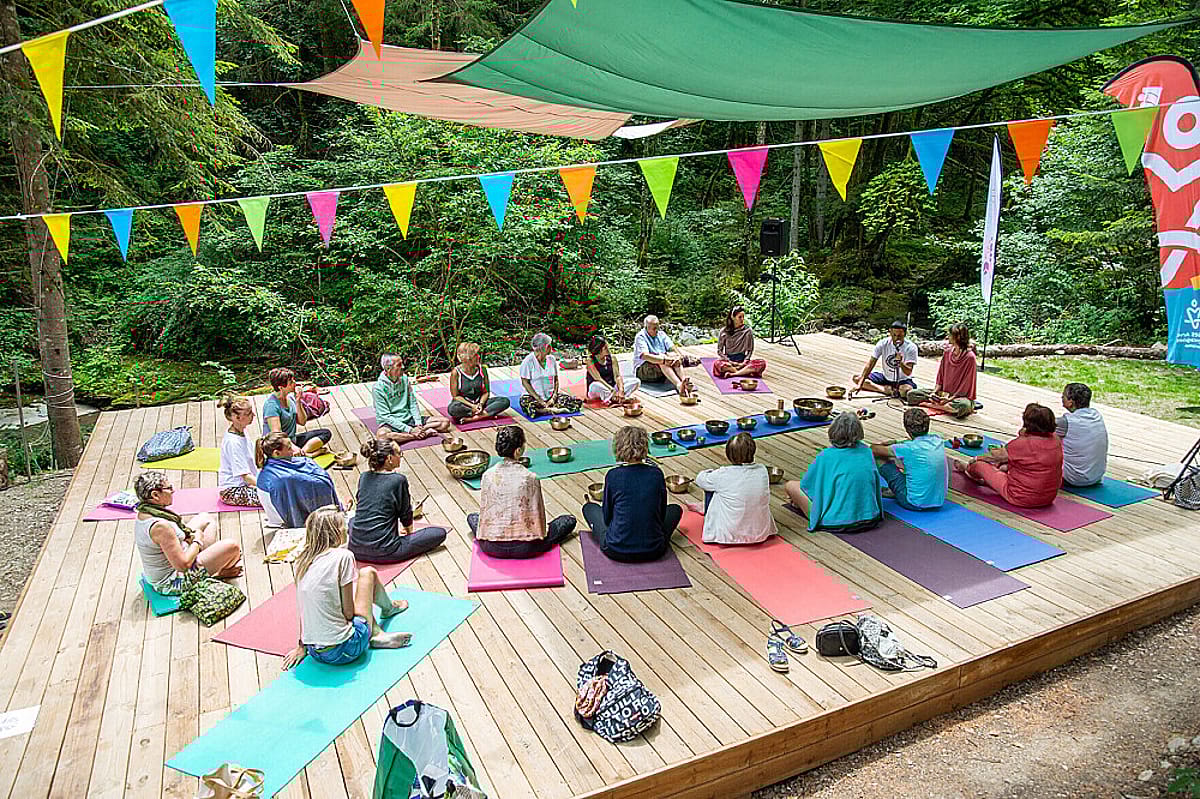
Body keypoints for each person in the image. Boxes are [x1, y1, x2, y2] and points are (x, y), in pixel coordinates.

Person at [282, 506, 411, 670]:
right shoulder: (343, 556)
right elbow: (349, 613)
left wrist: (302, 646)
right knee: (368, 573)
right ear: (336, 532)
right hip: (346, 649)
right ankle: (381, 624)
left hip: (315, 651)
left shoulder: (301, 562)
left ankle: (380, 623)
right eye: (344, 527)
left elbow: (305, 608)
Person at [467, 426, 577, 558]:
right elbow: (538, 520)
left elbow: (486, 514)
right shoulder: (529, 477)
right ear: (518, 451)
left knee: (472, 517)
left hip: (491, 546)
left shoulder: (487, 475)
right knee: (569, 520)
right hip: (526, 548)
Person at [581, 426, 682, 561]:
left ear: (618, 449)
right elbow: (661, 515)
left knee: (589, 508)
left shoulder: (613, 475)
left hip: (615, 549)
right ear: (645, 447)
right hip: (655, 550)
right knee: (675, 509)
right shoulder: (656, 474)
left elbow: (607, 518)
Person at [134, 471, 243, 596]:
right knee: (232, 547)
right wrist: (197, 541)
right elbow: (183, 565)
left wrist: (192, 539)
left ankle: (211, 564)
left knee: (205, 518)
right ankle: (218, 573)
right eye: (169, 488)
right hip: (174, 582)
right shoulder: (160, 527)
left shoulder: (145, 512)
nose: (173, 491)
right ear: (155, 495)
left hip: (178, 557)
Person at [349, 438, 448, 563]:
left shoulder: (363, 477)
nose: (401, 457)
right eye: (399, 454)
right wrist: (409, 533)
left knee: (353, 520)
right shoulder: (398, 480)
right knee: (439, 533)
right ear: (389, 458)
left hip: (355, 550)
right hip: (387, 552)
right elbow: (405, 513)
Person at [785, 413, 883, 532]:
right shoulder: (866, 451)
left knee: (791, 485)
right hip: (871, 518)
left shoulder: (826, 456)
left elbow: (807, 487)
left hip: (836, 521)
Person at [953, 403, 1063, 508]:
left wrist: (976, 459)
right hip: (1048, 498)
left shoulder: (1022, 444)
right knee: (1004, 464)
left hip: (1021, 497)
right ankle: (990, 476)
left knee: (979, 465)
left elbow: (995, 456)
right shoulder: (1055, 439)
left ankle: (968, 470)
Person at [693, 432, 776, 544]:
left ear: (729, 455)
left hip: (728, 535)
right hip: (759, 533)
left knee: (711, 487)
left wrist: (711, 472)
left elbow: (700, 479)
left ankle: (706, 510)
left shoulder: (723, 474)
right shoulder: (762, 470)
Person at [255, 432, 343, 528]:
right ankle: (332, 513)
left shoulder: (271, 465)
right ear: (276, 453)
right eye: (289, 448)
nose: (294, 450)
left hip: (276, 509)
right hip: (281, 518)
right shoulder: (284, 478)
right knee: (321, 486)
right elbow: (321, 484)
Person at [870, 408, 949, 511]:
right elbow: (908, 442)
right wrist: (895, 443)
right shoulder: (937, 440)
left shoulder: (909, 448)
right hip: (938, 501)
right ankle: (898, 489)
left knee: (879, 457)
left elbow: (873, 449)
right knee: (908, 462)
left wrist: (890, 444)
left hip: (913, 503)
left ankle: (888, 491)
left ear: (907, 429)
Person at [374, 354, 452, 442]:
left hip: (409, 419)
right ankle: (420, 434)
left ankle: (414, 433)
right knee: (382, 436)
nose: (403, 367)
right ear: (388, 368)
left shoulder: (404, 379)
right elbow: (385, 416)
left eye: (402, 363)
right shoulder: (378, 388)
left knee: (445, 422)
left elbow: (412, 403)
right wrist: (410, 430)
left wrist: (418, 423)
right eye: (399, 365)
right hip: (392, 423)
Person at [262, 367, 333, 457]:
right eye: (291, 382)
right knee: (282, 448)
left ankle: (302, 453)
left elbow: (302, 422)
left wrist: (298, 401)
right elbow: (277, 436)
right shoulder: (271, 405)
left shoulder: (290, 397)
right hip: (279, 447)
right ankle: (305, 455)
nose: (294, 383)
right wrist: (293, 448)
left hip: (292, 440)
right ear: (281, 387)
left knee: (326, 433)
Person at [518, 333, 584, 418]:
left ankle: (546, 410)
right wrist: (539, 400)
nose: (551, 348)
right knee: (525, 403)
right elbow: (525, 382)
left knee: (576, 402)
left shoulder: (551, 359)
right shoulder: (528, 362)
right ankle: (554, 410)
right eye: (550, 346)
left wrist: (553, 397)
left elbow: (556, 380)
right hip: (534, 398)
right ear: (546, 347)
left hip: (551, 397)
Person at [848, 321, 918, 399]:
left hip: (903, 380)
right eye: (894, 335)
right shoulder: (883, 343)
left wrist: (900, 362)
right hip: (885, 377)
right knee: (857, 378)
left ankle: (893, 389)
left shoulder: (911, 347)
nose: (896, 338)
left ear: (904, 334)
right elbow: (871, 363)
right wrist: (860, 385)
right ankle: (885, 390)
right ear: (890, 332)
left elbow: (908, 372)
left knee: (905, 391)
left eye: (899, 336)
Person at [1057, 383, 1109, 487]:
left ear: (1071, 402)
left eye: (1064, 396)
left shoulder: (1067, 422)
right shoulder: (1096, 416)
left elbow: (1040, 427)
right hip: (1096, 477)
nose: (1061, 398)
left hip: (1073, 478)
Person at [632, 315, 695, 400]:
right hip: (643, 370)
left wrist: (678, 356)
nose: (656, 330)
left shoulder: (661, 334)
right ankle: (679, 385)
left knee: (673, 356)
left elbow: (673, 347)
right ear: (647, 327)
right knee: (662, 359)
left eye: (657, 327)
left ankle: (684, 382)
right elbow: (645, 356)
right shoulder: (640, 336)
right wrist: (664, 359)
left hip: (660, 366)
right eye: (654, 328)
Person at [447, 342, 510, 424]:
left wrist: (480, 404)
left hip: (480, 403)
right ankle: (487, 414)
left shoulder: (483, 370)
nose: (478, 357)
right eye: (475, 355)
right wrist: (472, 407)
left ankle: (474, 418)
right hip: (465, 405)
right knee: (452, 409)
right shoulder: (456, 372)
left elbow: (486, 392)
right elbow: (456, 396)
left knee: (504, 401)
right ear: (467, 358)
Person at [217, 395, 261, 507]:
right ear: (237, 418)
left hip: (248, 484)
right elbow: (245, 476)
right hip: (232, 491)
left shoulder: (242, 431)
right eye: (248, 413)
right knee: (276, 496)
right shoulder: (233, 442)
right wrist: (266, 486)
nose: (253, 415)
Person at [929, 323, 977, 418]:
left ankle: (934, 405)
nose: (948, 337)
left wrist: (950, 399)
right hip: (943, 394)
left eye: (950, 335)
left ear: (957, 337)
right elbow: (940, 377)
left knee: (963, 406)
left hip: (959, 398)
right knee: (912, 395)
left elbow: (966, 386)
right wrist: (934, 392)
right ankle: (941, 405)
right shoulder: (947, 352)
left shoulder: (970, 357)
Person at [712, 306, 767, 379]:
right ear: (733, 317)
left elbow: (750, 350)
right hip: (729, 362)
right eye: (740, 317)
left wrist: (745, 361)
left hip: (743, 361)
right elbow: (719, 351)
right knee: (717, 364)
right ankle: (743, 372)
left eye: (743, 317)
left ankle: (733, 374)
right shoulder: (724, 331)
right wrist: (731, 362)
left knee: (761, 363)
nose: (742, 319)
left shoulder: (747, 331)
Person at [586, 334, 640, 406]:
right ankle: (618, 398)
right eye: (605, 348)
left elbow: (617, 376)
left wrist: (621, 390)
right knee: (595, 386)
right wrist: (612, 390)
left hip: (612, 387)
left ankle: (617, 398)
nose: (608, 348)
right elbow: (598, 378)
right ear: (598, 350)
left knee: (636, 381)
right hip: (599, 389)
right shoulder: (590, 361)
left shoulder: (612, 358)